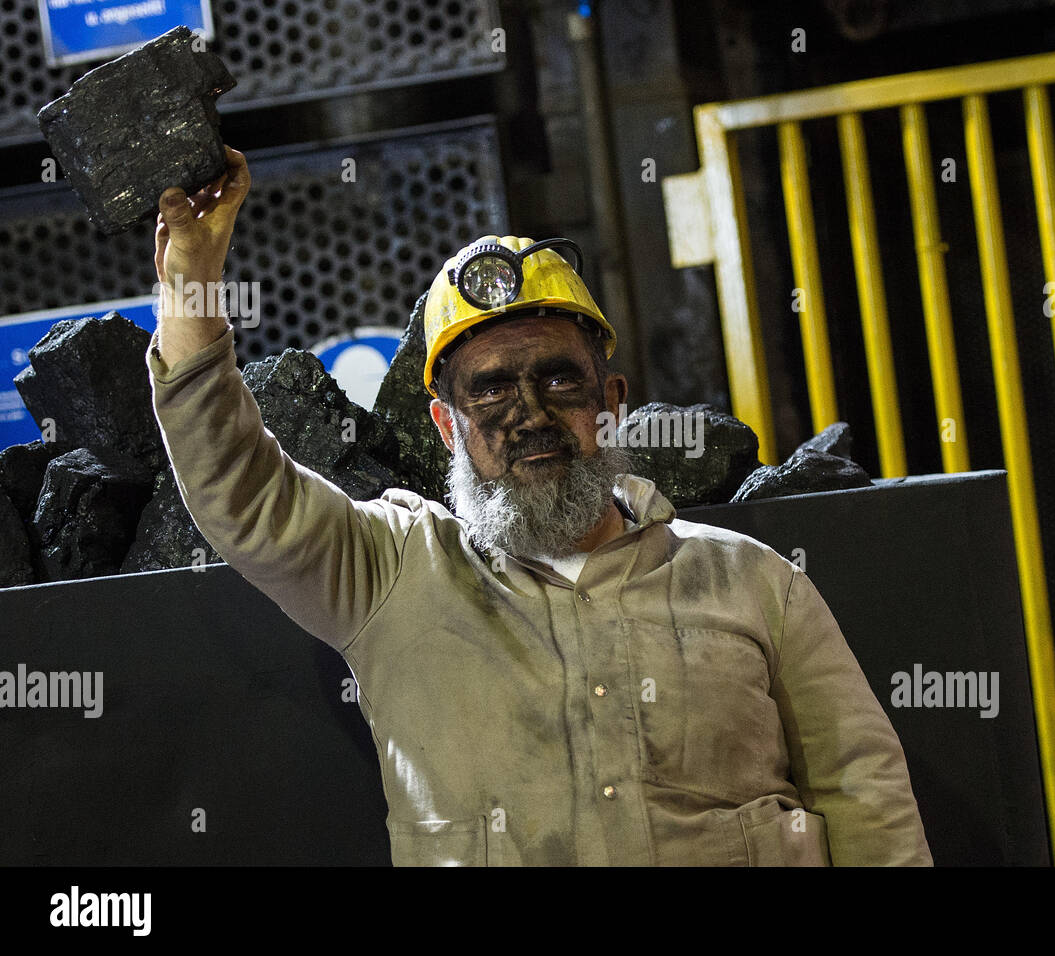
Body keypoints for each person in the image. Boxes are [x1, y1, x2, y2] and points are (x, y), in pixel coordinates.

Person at [147, 145, 933, 866]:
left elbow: (864, 798)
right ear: (445, 425)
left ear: (608, 401)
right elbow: (240, 491)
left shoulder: (755, 582)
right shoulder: (388, 574)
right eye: (489, 390)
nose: (527, 414)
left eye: (558, 379)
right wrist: (190, 278)